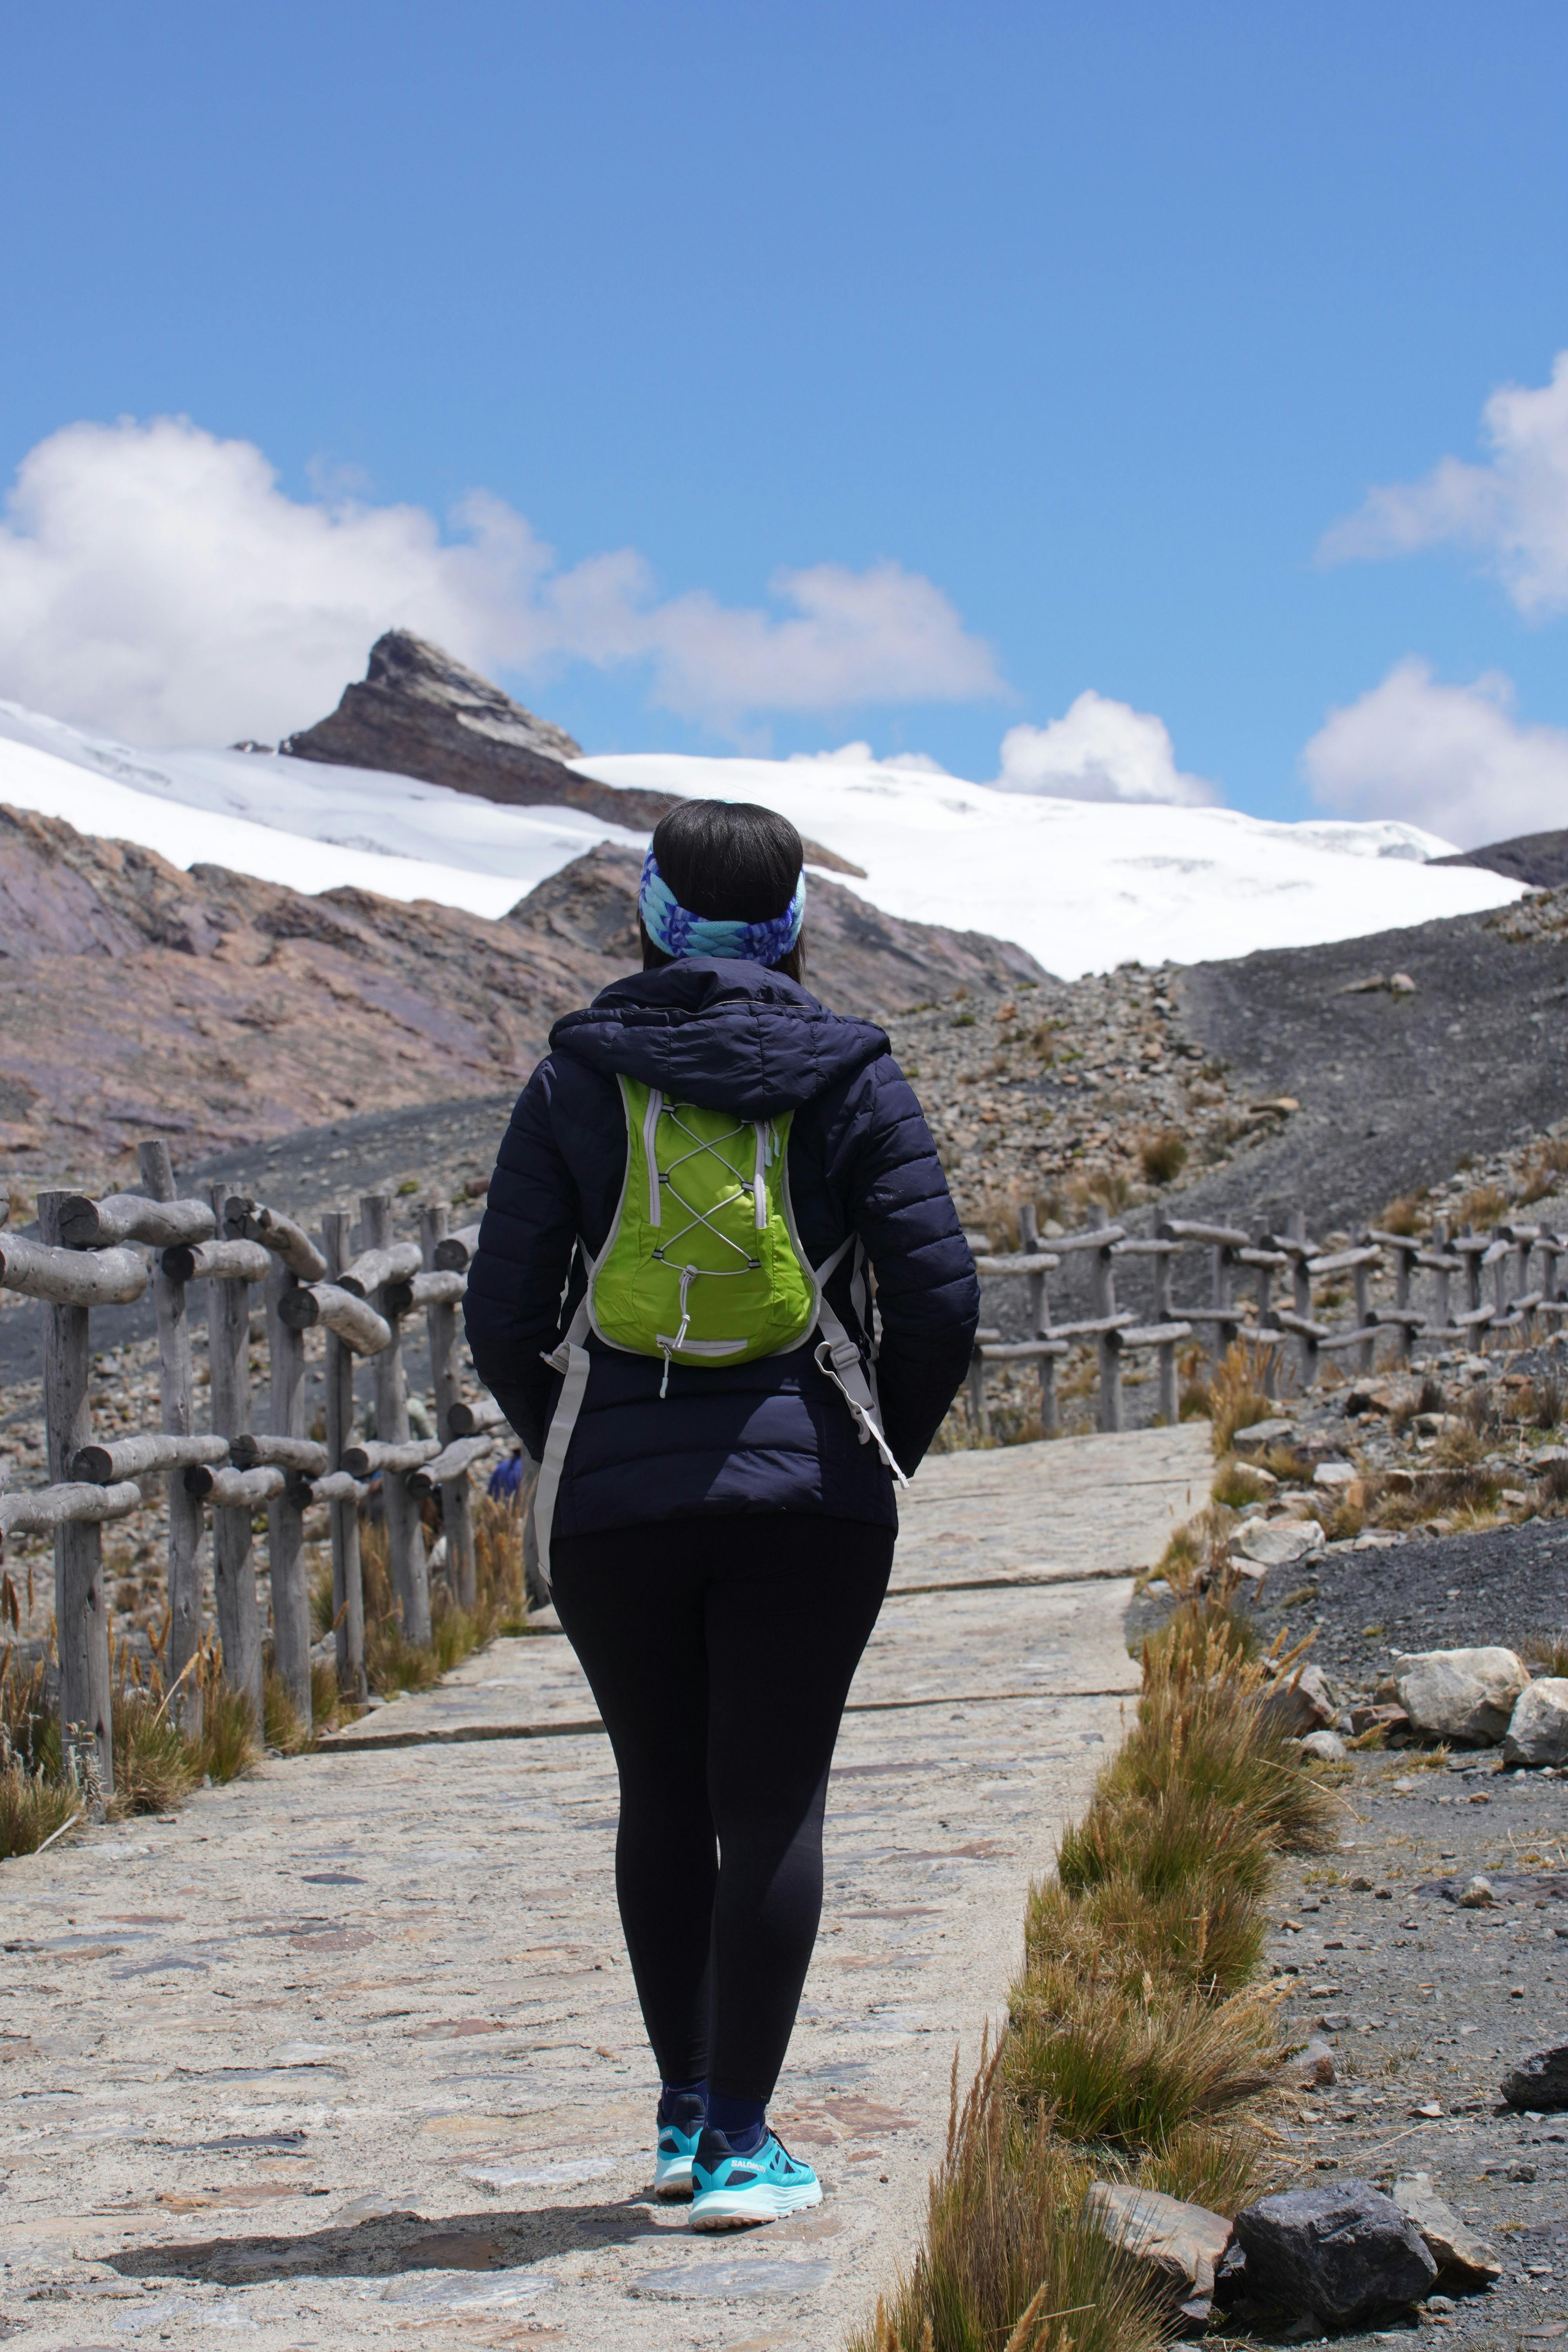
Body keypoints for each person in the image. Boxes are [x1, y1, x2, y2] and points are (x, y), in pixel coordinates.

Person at [465, 799, 977, 2229]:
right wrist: (885, 1452)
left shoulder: (574, 1074)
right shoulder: (855, 1072)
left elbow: (501, 1313)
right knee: (772, 1803)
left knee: (663, 1797)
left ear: (647, 914)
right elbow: (939, 1300)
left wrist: (578, 1439)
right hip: (809, 1486)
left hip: (618, 1506)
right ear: (798, 922)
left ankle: (688, 2114)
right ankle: (747, 2144)